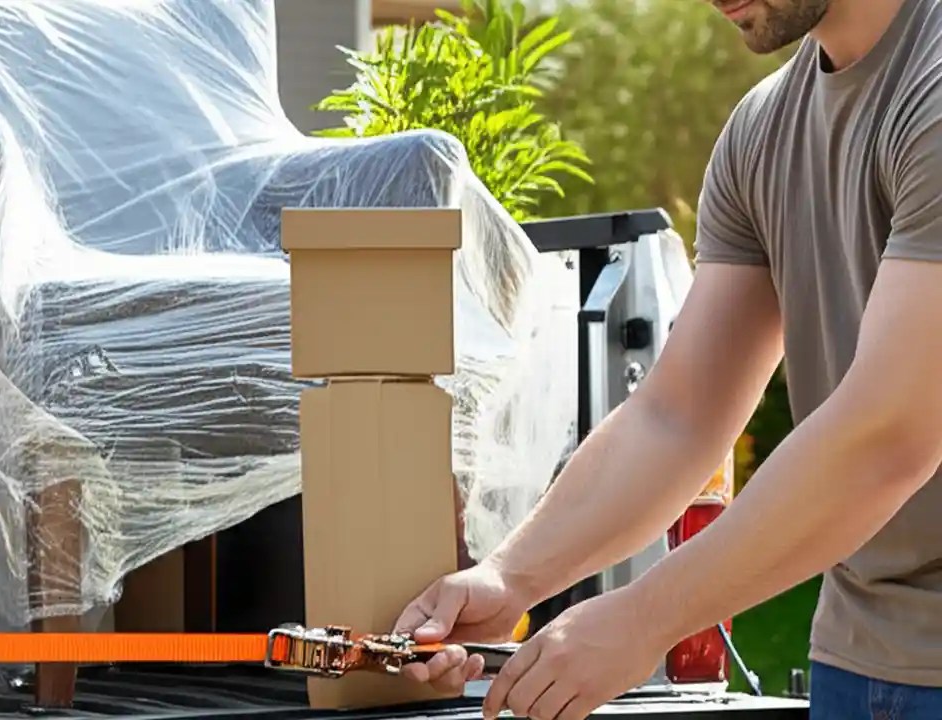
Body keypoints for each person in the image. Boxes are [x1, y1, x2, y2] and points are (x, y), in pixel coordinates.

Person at [393, 0, 942, 718]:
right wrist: (512, 579)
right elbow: (678, 415)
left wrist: (644, 618)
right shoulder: (762, 132)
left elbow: (890, 435)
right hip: (858, 657)